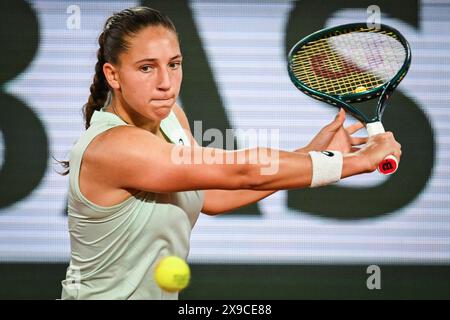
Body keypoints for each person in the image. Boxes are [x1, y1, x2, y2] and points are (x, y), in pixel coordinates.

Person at [60, 6, 401, 300]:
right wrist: (355, 163)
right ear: (113, 75)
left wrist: (310, 153)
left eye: (174, 64)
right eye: (146, 68)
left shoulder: (171, 118)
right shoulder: (114, 147)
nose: (166, 82)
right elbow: (245, 170)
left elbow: (209, 196)